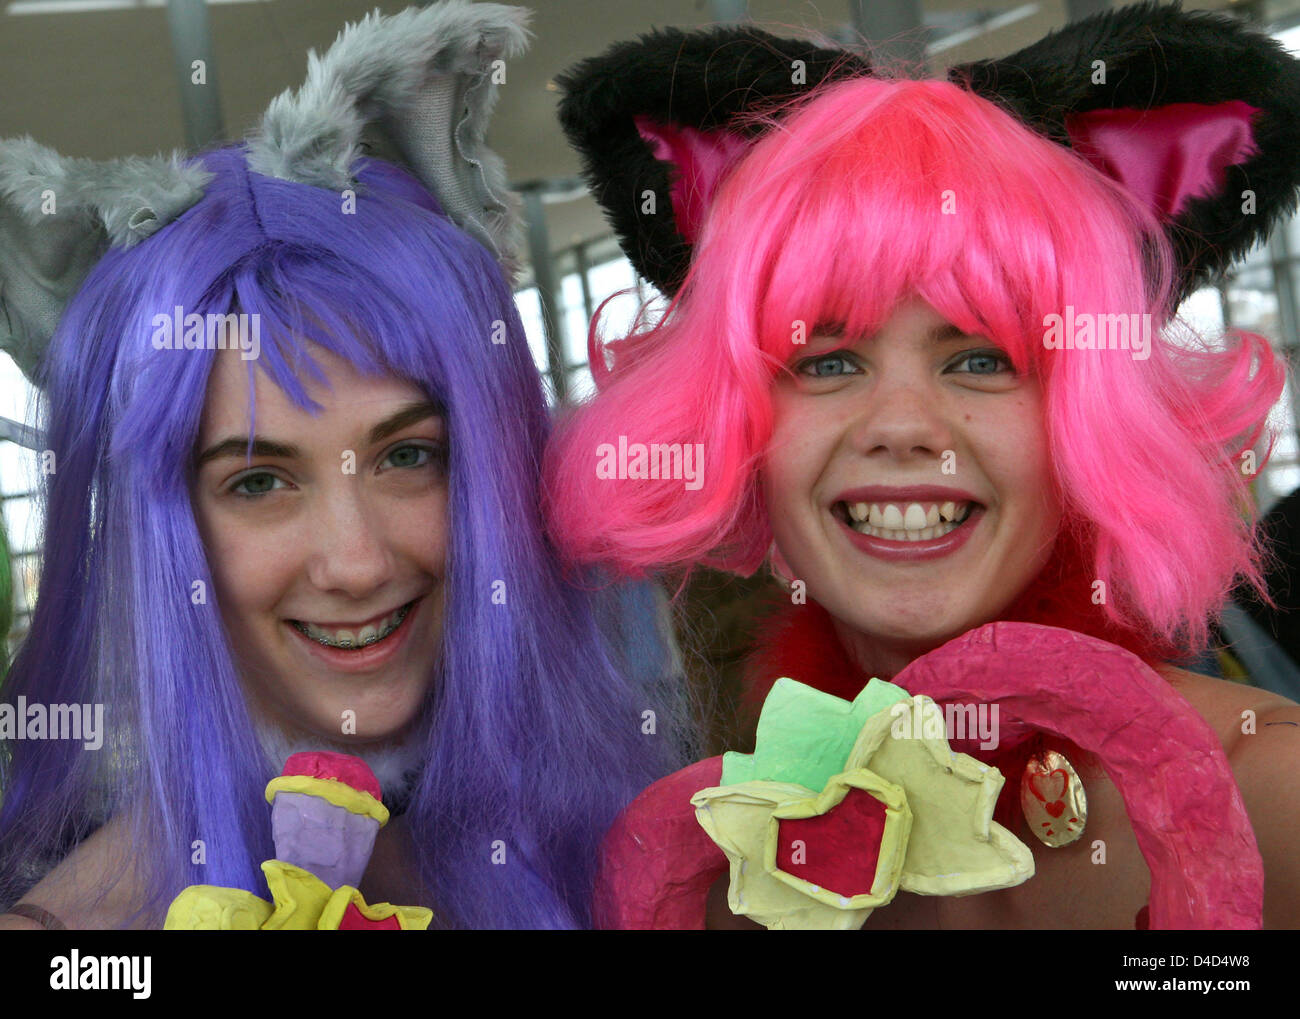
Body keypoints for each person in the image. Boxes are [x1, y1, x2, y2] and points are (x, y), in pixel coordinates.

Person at [543, 3, 1300, 928]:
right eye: (824, 360)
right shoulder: (728, 876)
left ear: (1086, 420)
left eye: (981, 357)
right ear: (737, 423)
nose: (901, 424)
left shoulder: (1273, 797)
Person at [0, 2, 689, 930]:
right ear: (160, 530)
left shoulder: (673, 865)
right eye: (258, 480)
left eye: (410, 455)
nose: (357, 560)